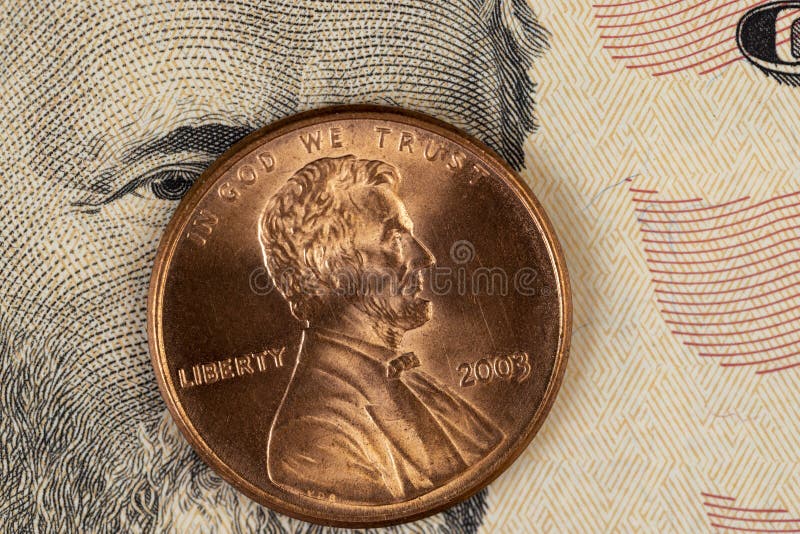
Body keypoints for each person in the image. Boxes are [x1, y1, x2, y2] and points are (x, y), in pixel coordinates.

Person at [0, 1, 548, 531]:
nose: (425, 256)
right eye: (177, 184)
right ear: (330, 262)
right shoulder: (318, 436)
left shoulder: (426, 396)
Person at [260, 155, 504, 504]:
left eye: (409, 234)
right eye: (394, 237)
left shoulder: (410, 378)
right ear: (333, 269)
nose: (425, 257)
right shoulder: (312, 437)